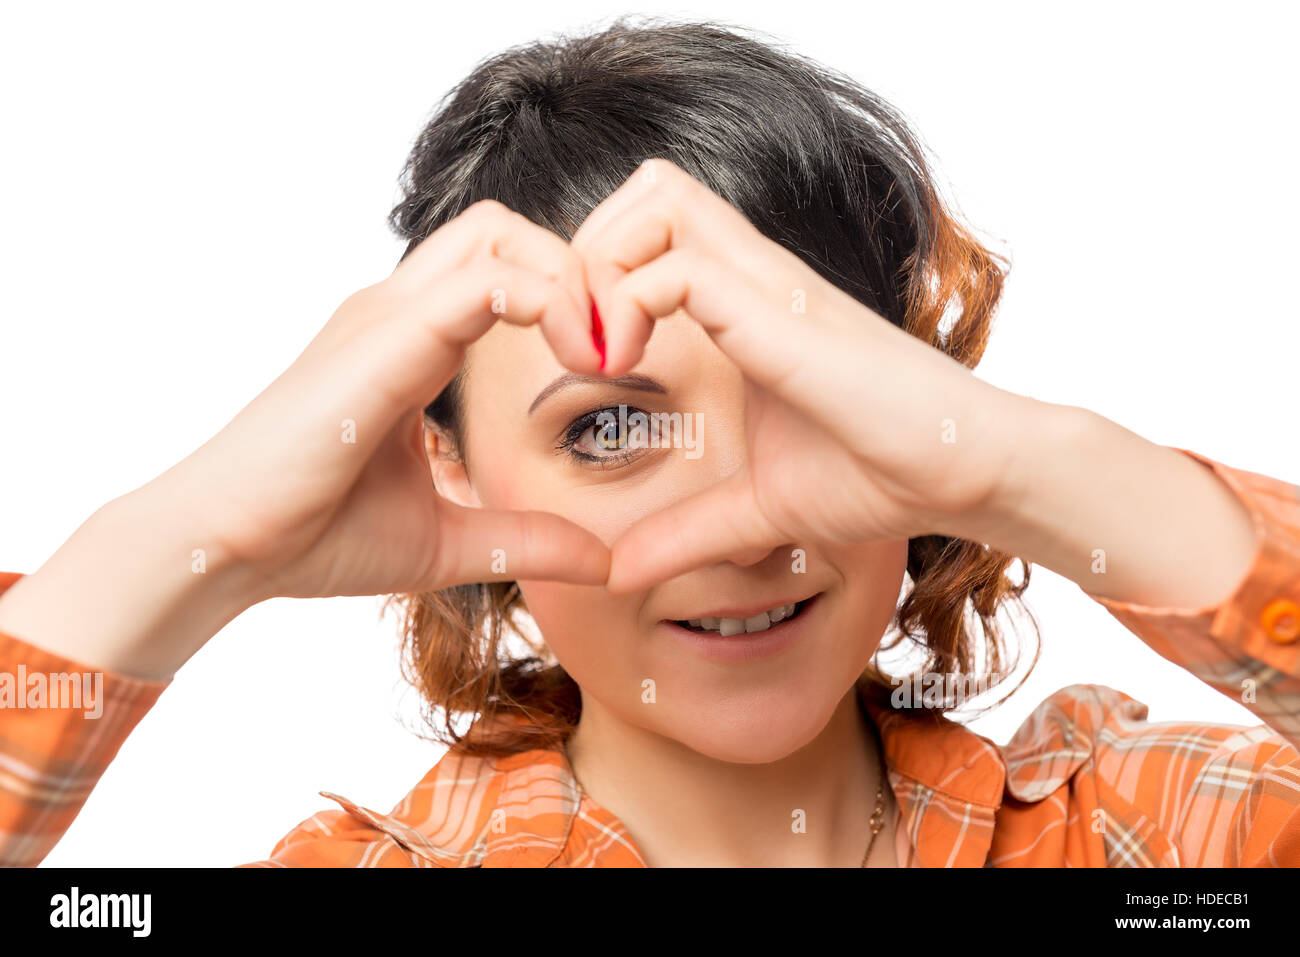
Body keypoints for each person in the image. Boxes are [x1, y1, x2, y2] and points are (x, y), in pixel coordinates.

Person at [1, 19, 1297, 868]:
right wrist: (184, 543)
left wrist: (1029, 462)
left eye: (813, 400)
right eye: (612, 425)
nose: (744, 514)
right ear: (448, 463)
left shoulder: (1154, 839)